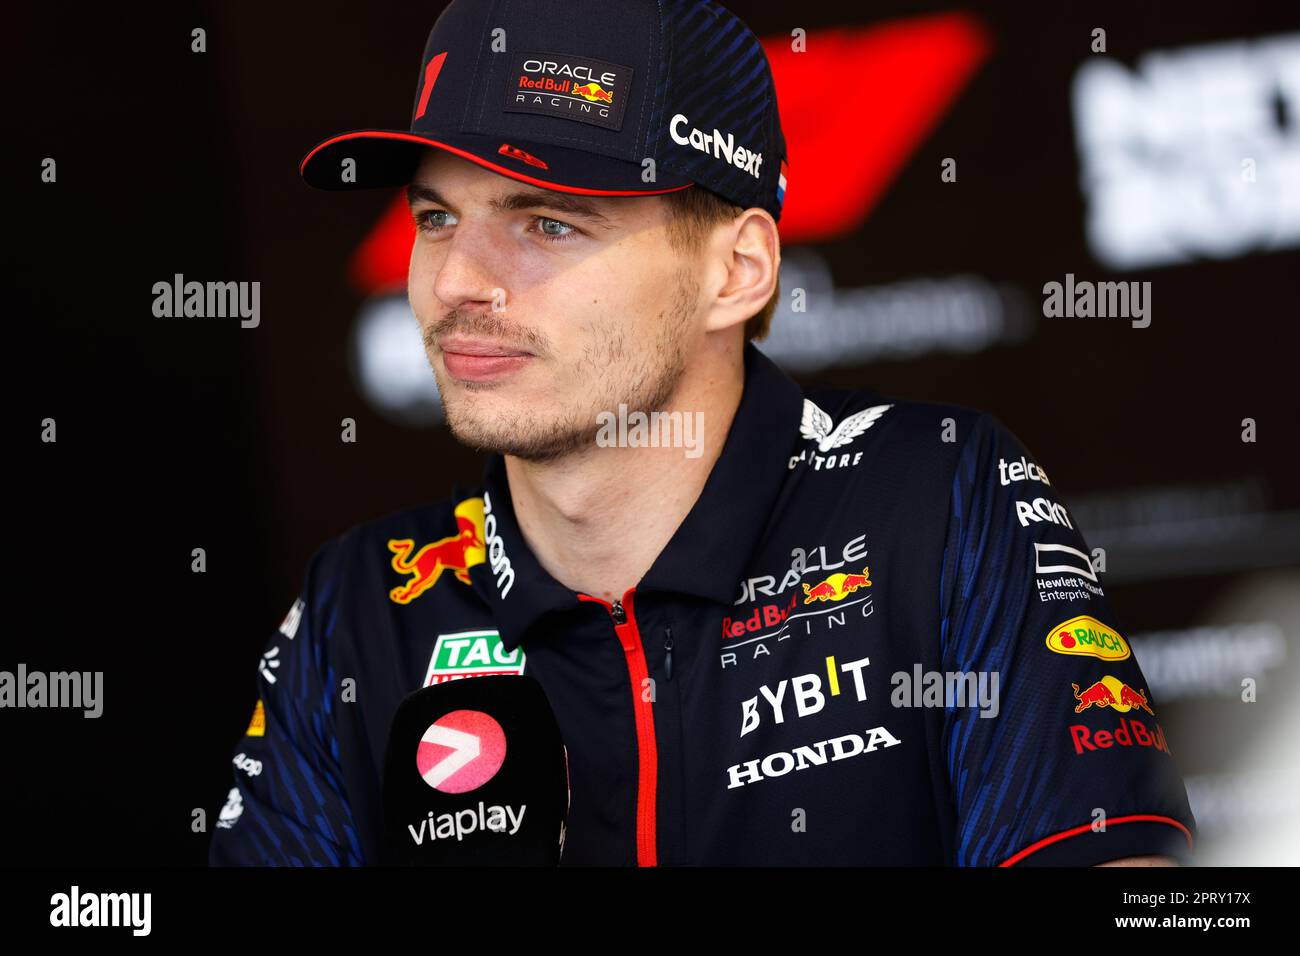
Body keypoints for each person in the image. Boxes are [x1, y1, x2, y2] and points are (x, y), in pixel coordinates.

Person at [210, 0, 1196, 866]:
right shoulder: (365, 601)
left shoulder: (931, 494)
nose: (456, 282)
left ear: (736, 271)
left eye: (546, 222)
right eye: (434, 216)